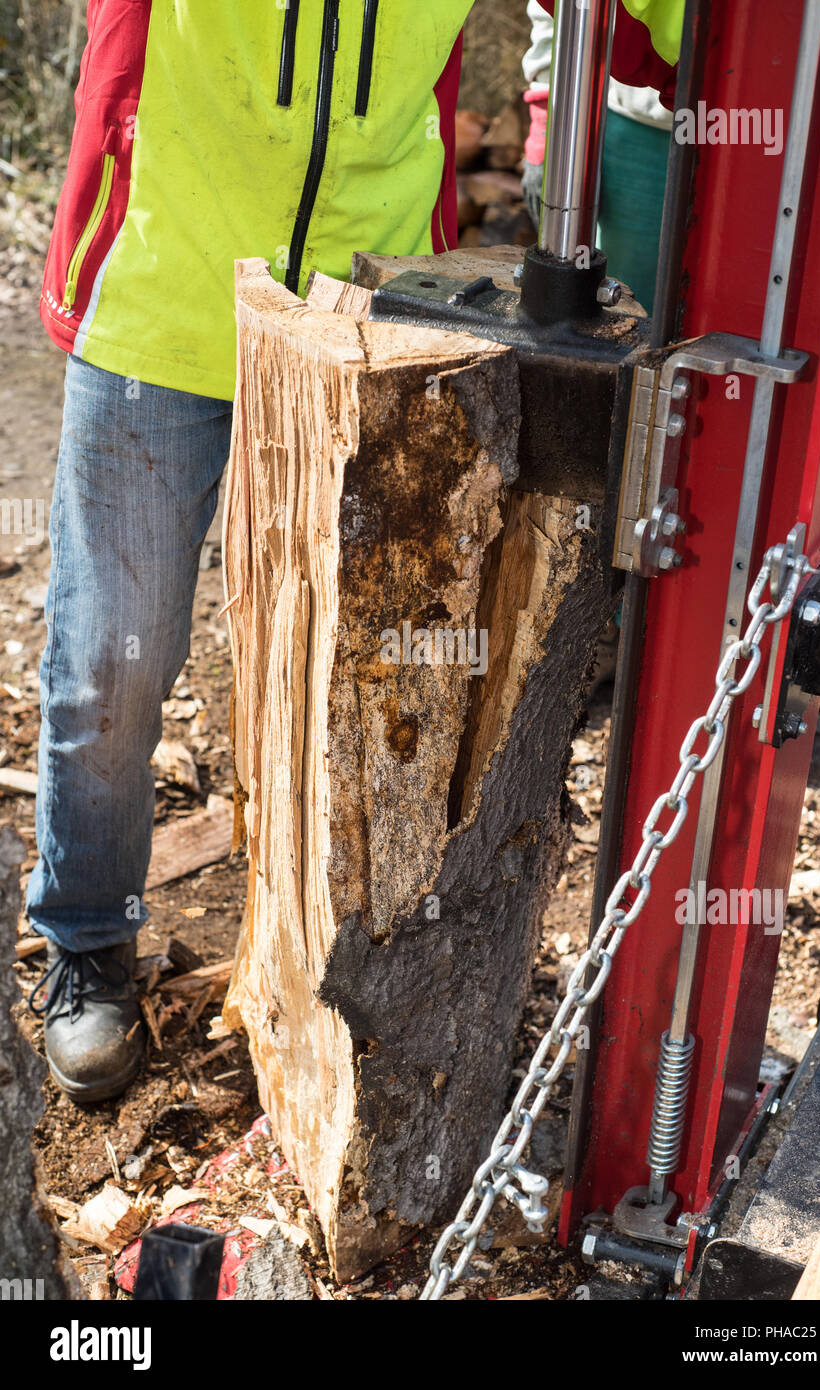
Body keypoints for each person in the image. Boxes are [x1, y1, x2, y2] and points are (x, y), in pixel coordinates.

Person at [28, 2, 676, 1104]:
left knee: (373, 682)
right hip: (163, 290)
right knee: (111, 669)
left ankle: (344, 980)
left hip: (365, 314)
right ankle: (89, 940)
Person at [522, 0, 681, 311]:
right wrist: (545, 112)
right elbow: (569, 9)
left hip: (745, 122)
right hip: (636, 128)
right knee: (625, 299)